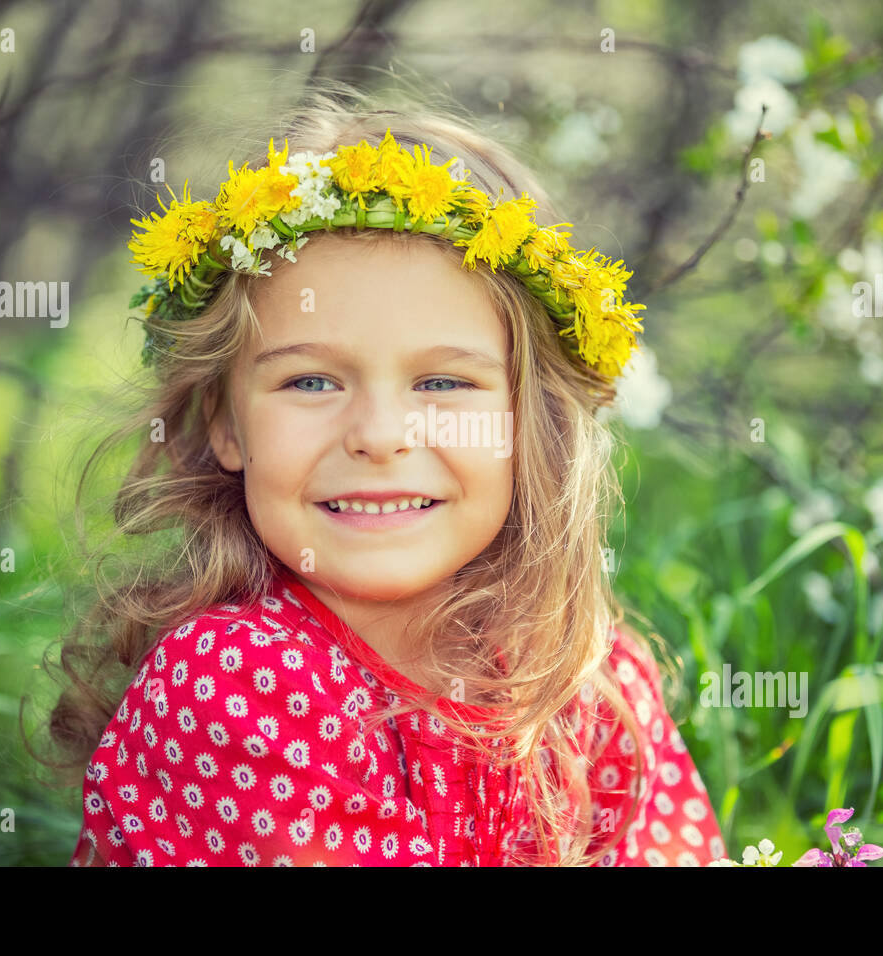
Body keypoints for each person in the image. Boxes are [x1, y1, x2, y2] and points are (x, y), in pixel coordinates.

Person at [44, 82, 725, 866]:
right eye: (310, 382)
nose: (378, 436)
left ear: (523, 420)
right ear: (225, 425)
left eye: (442, 383)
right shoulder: (237, 685)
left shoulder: (586, 677)